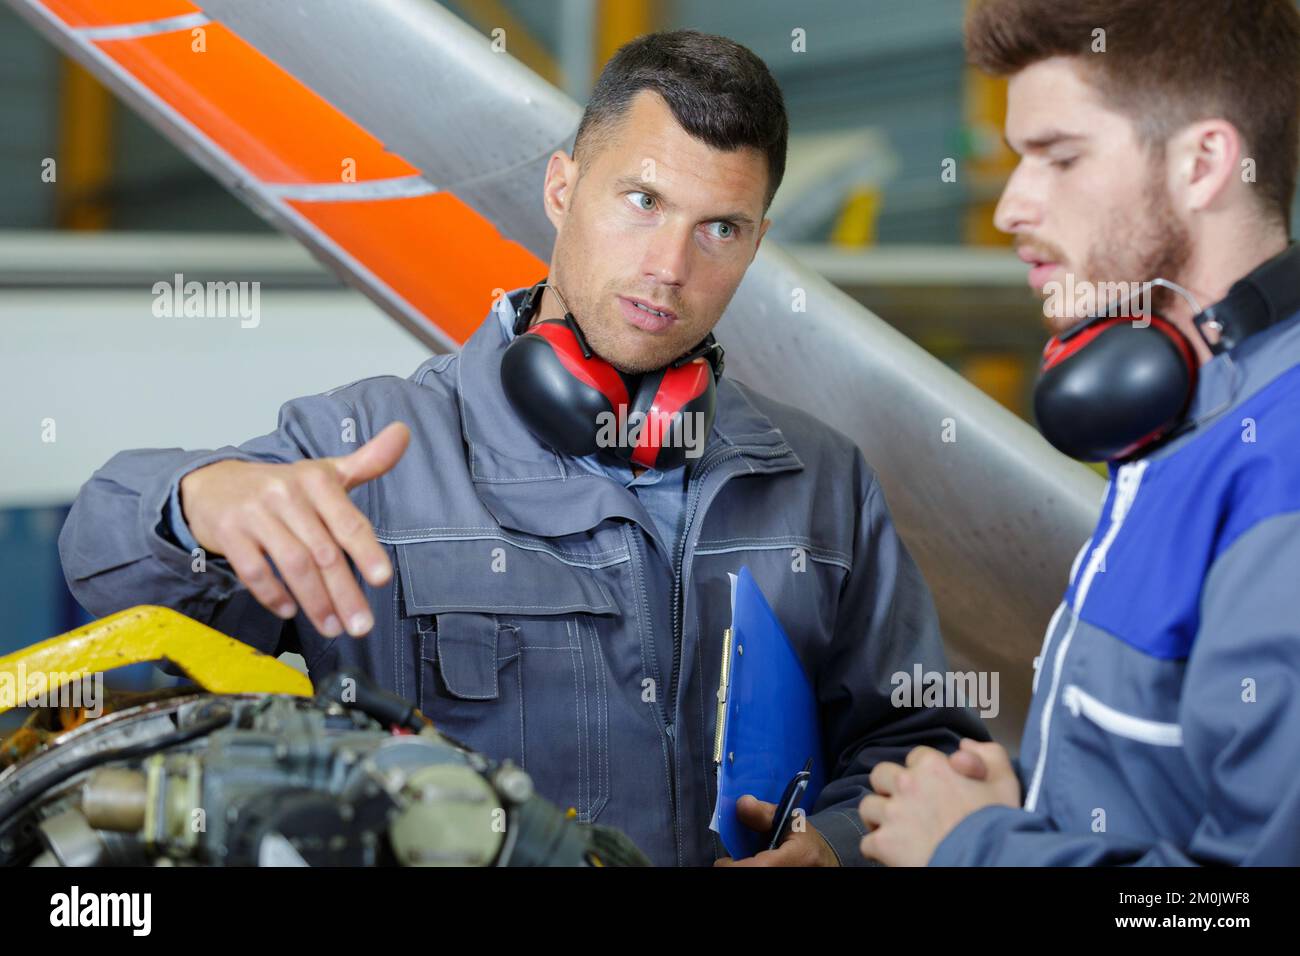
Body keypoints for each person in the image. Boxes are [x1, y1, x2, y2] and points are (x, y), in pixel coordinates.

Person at [59, 30, 984, 868]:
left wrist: (831, 850)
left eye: (720, 228)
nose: (670, 266)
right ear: (561, 187)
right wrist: (198, 502)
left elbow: (921, 743)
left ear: (757, 242)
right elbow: (107, 574)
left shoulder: (821, 484)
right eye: (643, 199)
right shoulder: (374, 454)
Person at [859, 0, 1300, 867]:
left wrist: (976, 848)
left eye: (1058, 157)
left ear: (1203, 163)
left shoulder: (1277, 472)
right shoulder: (1182, 413)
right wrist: (1035, 797)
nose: (1011, 209)